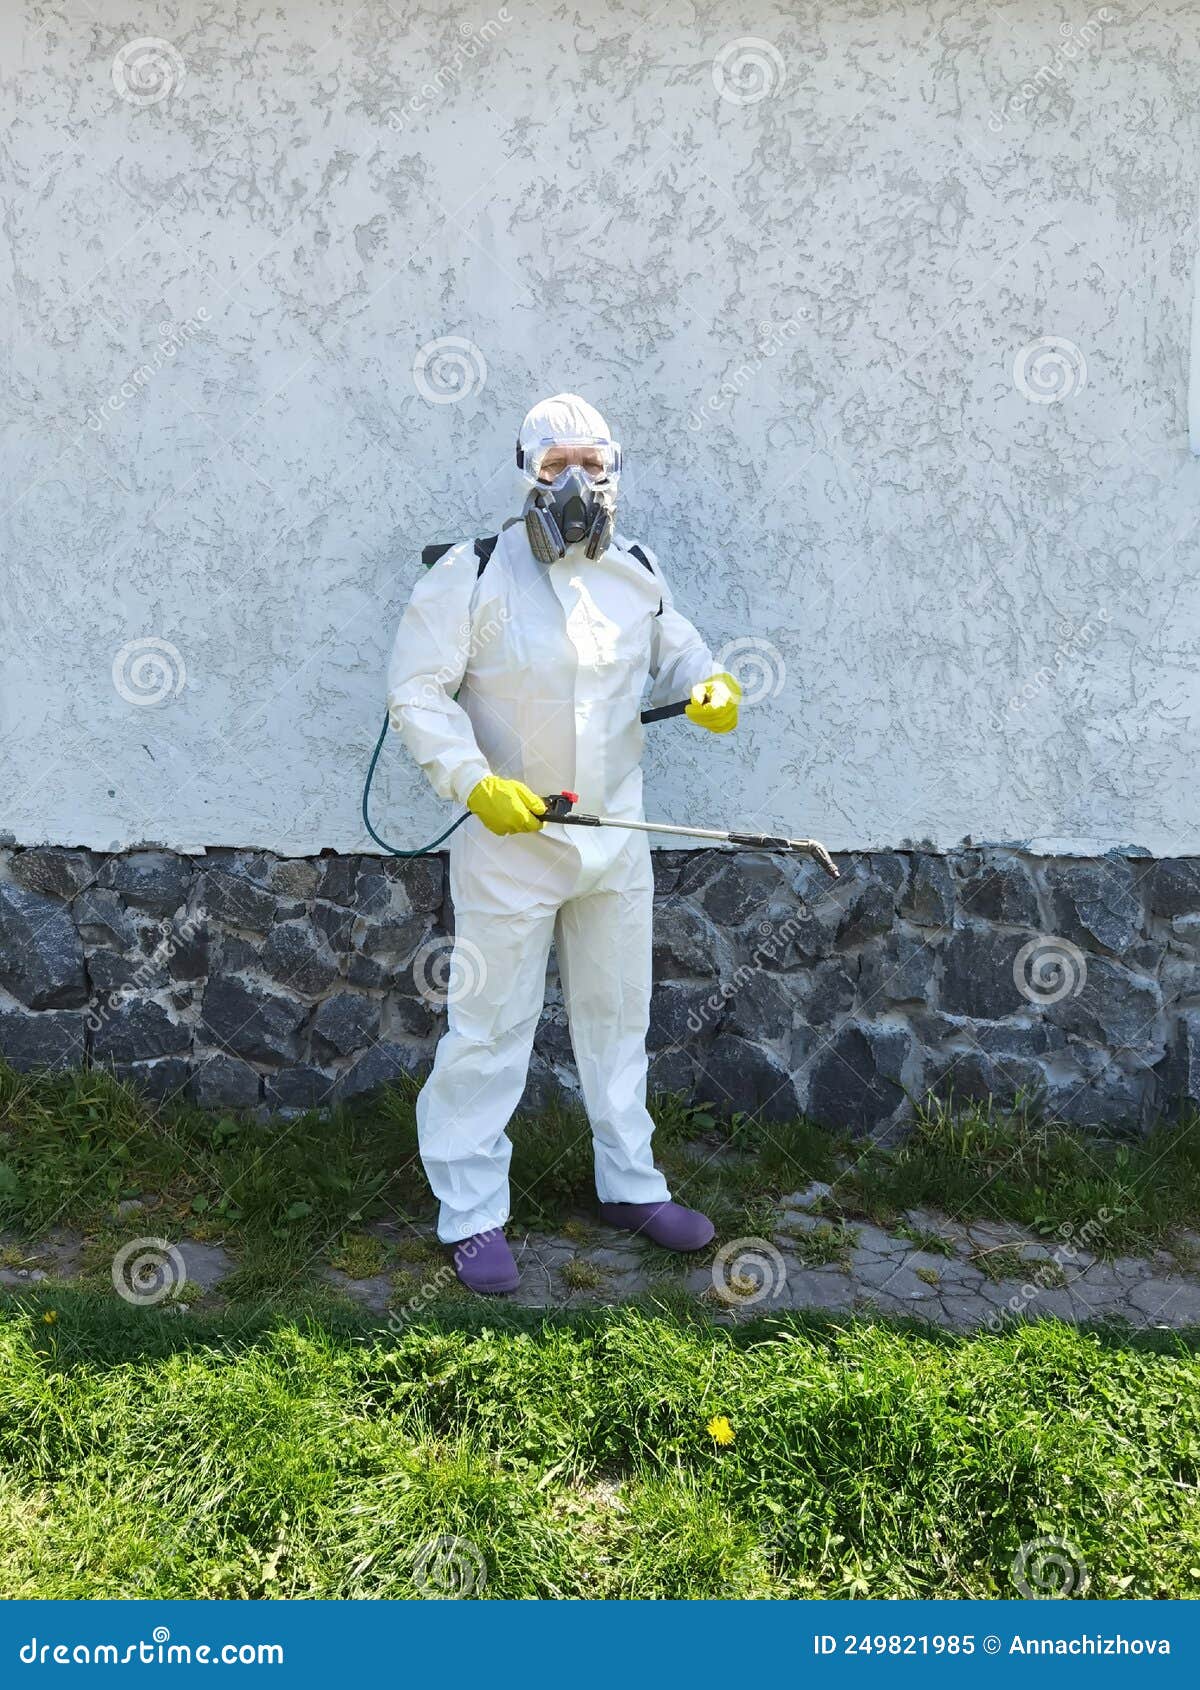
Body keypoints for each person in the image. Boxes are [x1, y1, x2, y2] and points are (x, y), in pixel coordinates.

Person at [387, 393, 740, 1293]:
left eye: (591, 465)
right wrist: (473, 784)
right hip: (511, 846)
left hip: (617, 840)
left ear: (614, 473)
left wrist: (712, 687)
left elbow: (684, 655)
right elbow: (418, 693)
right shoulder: (468, 576)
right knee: (490, 1027)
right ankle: (471, 1214)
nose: (575, 485)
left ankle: (631, 1186)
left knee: (619, 1020)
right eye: (555, 468)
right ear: (526, 474)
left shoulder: (635, 572)